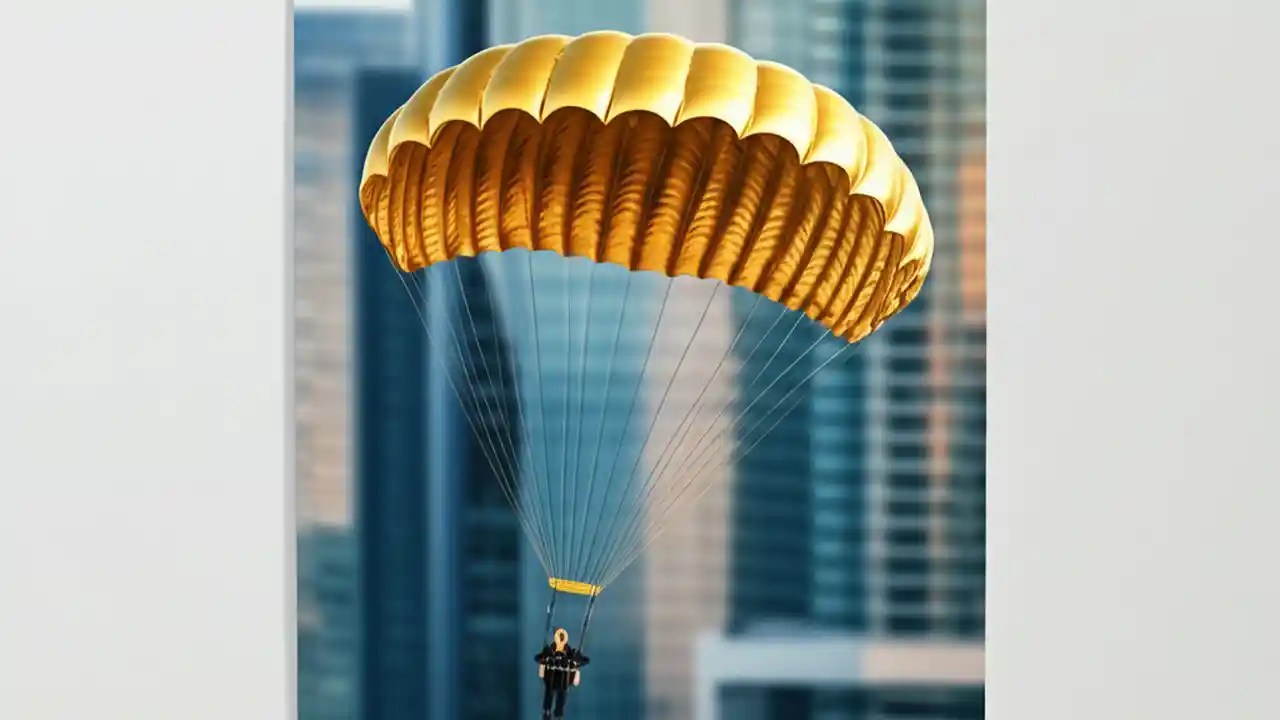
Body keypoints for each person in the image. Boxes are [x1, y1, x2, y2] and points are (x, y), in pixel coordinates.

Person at [534, 627, 589, 719]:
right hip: (551, 679)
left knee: (561, 698)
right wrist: (545, 657)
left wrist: (577, 660)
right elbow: (538, 658)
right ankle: (547, 713)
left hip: (563, 681)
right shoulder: (550, 651)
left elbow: (583, 661)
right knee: (549, 695)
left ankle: (558, 715)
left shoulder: (570, 653)